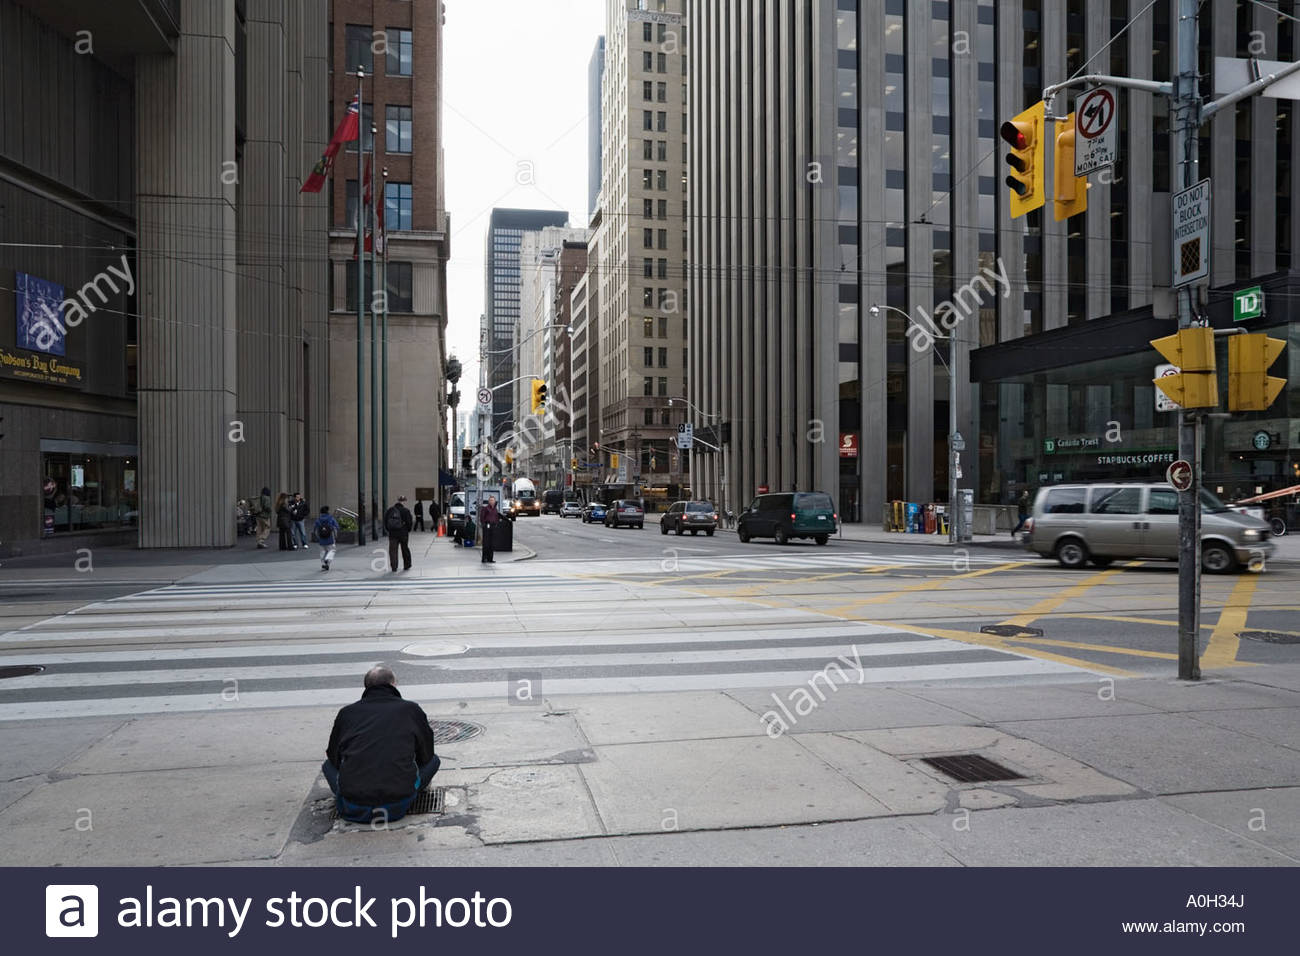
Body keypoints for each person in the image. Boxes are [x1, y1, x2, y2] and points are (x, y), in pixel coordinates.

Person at [322, 665, 439, 824]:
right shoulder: (411, 709)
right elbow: (427, 755)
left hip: (353, 804)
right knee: (434, 761)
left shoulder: (347, 713)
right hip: (398, 802)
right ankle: (410, 789)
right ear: (393, 684)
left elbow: (333, 758)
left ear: (366, 687)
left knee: (327, 765)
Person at [384, 494, 414, 572]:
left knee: (393, 550)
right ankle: (407, 565)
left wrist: (389, 530)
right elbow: (409, 522)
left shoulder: (390, 510)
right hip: (403, 533)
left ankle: (394, 566)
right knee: (405, 548)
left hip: (393, 534)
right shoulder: (406, 511)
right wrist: (408, 530)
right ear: (404, 502)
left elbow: (385, 521)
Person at [314, 506, 340, 571]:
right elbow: (337, 527)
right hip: (330, 538)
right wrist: (336, 535)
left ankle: (324, 564)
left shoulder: (318, 519)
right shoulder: (331, 518)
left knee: (322, 552)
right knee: (332, 550)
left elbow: (315, 529)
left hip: (321, 539)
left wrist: (317, 537)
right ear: (327, 511)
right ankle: (327, 560)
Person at [479, 495, 500, 564]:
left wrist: (496, 524)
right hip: (487, 526)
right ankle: (484, 558)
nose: (492, 501)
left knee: (492, 543)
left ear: (494, 501)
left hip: (493, 526)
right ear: (488, 501)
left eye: (493, 500)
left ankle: (490, 558)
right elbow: (482, 518)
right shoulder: (485, 508)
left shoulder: (495, 509)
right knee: (486, 543)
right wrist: (484, 525)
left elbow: (497, 517)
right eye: (490, 500)